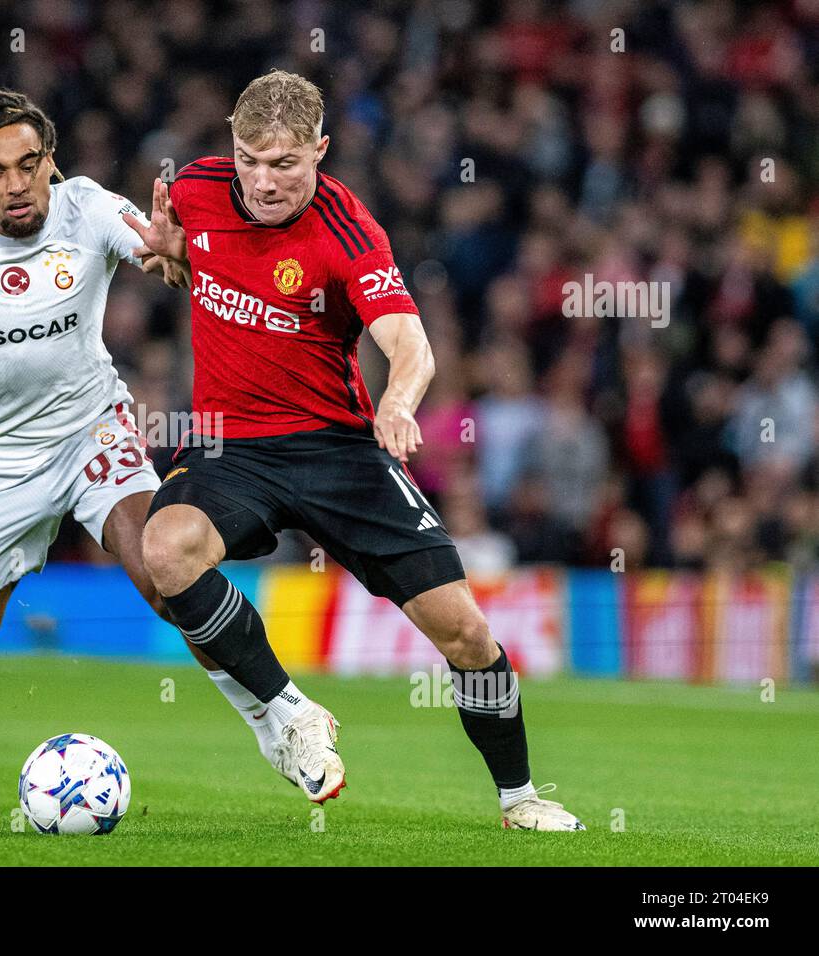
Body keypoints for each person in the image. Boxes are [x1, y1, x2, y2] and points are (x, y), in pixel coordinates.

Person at [126, 70, 584, 829]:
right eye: (249, 159)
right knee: (166, 551)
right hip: (230, 447)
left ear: (321, 151)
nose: (263, 182)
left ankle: (521, 799)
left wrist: (399, 404)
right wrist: (176, 258)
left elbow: (409, 342)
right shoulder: (196, 189)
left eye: (284, 164)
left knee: (466, 632)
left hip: (337, 448)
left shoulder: (350, 231)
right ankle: (287, 715)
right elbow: (186, 261)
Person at [0, 77, 299, 815]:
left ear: (49, 159)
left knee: (166, 580)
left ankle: (275, 723)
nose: (16, 185)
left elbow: (148, 243)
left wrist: (165, 253)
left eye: (28, 165)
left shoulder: (86, 205)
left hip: (94, 433)